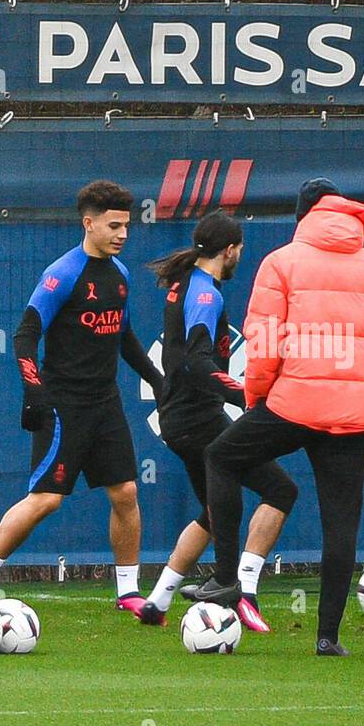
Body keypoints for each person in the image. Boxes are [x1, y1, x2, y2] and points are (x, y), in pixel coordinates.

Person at [201, 179, 364, 656]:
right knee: (341, 525)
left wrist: (256, 401)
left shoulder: (281, 262)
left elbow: (264, 343)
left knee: (221, 457)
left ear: (302, 217)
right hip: (356, 416)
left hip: (292, 402)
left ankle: (228, 578)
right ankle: (328, 637)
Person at [0, 180, 164, 617]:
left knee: (125, 492)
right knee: (47, 500)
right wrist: (34, 391)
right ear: (88, 223)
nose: (123, 234)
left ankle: (128, 591)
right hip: (63, 407)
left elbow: (123, 336)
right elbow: (25, 336)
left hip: (105, 403)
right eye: (113, 226)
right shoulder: (62, 273)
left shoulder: (121, 275)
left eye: (126, 226)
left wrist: (156, 380)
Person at [139, 211, 298, 631]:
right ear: (229, 251)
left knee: (214, 511)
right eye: (240, 250)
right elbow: (196, 361)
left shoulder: (186, 282)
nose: (239, 256)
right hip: (196, 416)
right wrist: (244, 394)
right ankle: (235, 585)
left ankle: (157, 601)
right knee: (281, 488)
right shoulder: (206, 293)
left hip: (180, 417)